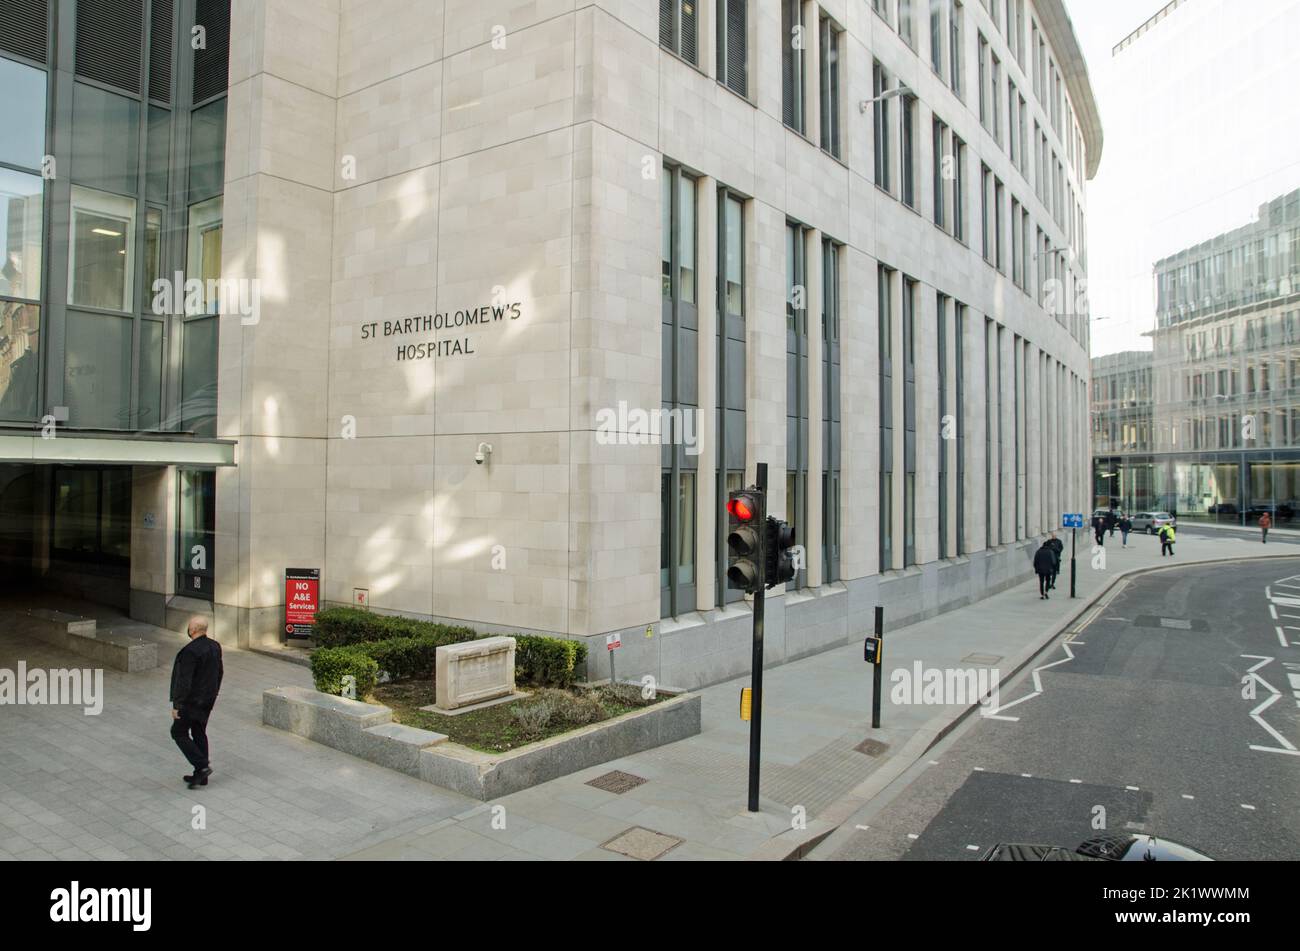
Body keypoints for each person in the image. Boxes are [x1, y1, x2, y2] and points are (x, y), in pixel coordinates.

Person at [170, 617, 223, 789]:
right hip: (207, 700)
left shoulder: (190, 651)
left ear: (193, 629)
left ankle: (202, 766)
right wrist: (214, 694)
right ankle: (201, 775)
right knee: (199, 731)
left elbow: (183, 681)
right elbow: (219, 673)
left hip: (191, 702)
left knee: (178, 732)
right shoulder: (215, 646)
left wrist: (177, 705)